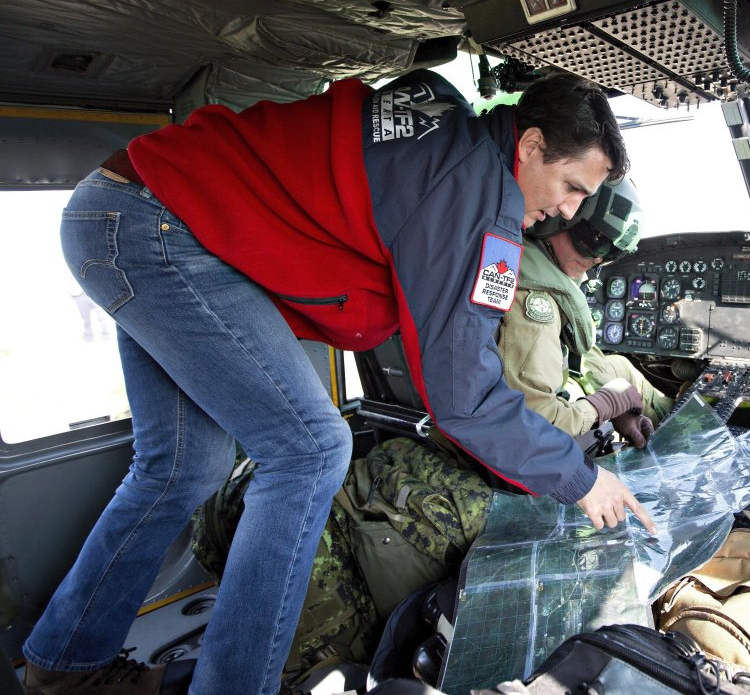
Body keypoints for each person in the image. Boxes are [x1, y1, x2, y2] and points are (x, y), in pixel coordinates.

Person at [24, 69, 655, 695]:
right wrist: (577, 478)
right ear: (530, 145)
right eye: (570, 187)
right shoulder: (479, 198)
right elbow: (461, 394)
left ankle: (64, 665)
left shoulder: (443, 133)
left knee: (182, 466)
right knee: (311, 450)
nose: (568, 211)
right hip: (159, 226)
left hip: (125, 208)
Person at [500, 178, 674, 448]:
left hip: (536, 389)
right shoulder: (537, 302)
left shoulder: (532, 262)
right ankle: (676, 437)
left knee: (621, 368)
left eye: (612, 252)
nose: (598, 259)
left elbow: (581, 355)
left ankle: (669, 418)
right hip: (522, 437)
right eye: (595, 241)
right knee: (621, 382)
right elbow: (538, 423)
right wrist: (604, 405)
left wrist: (619, 410)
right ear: (560, 218)